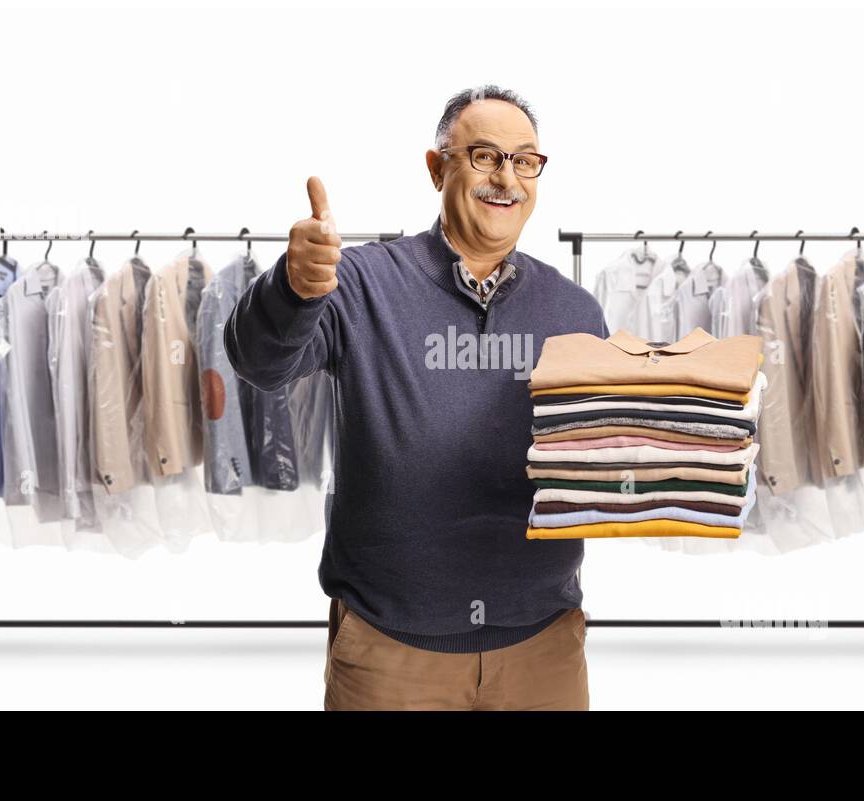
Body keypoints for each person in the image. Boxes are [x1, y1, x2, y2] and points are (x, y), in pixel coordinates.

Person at [225, 85, 606, 710]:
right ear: (437, 169)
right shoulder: (360, 282)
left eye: (525, 160)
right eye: (484, 156)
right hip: (390, 652)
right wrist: (291, 289)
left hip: (543, 646)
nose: (506, 178)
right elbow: (260, 364)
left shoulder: (575, 309)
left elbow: (594, 454)